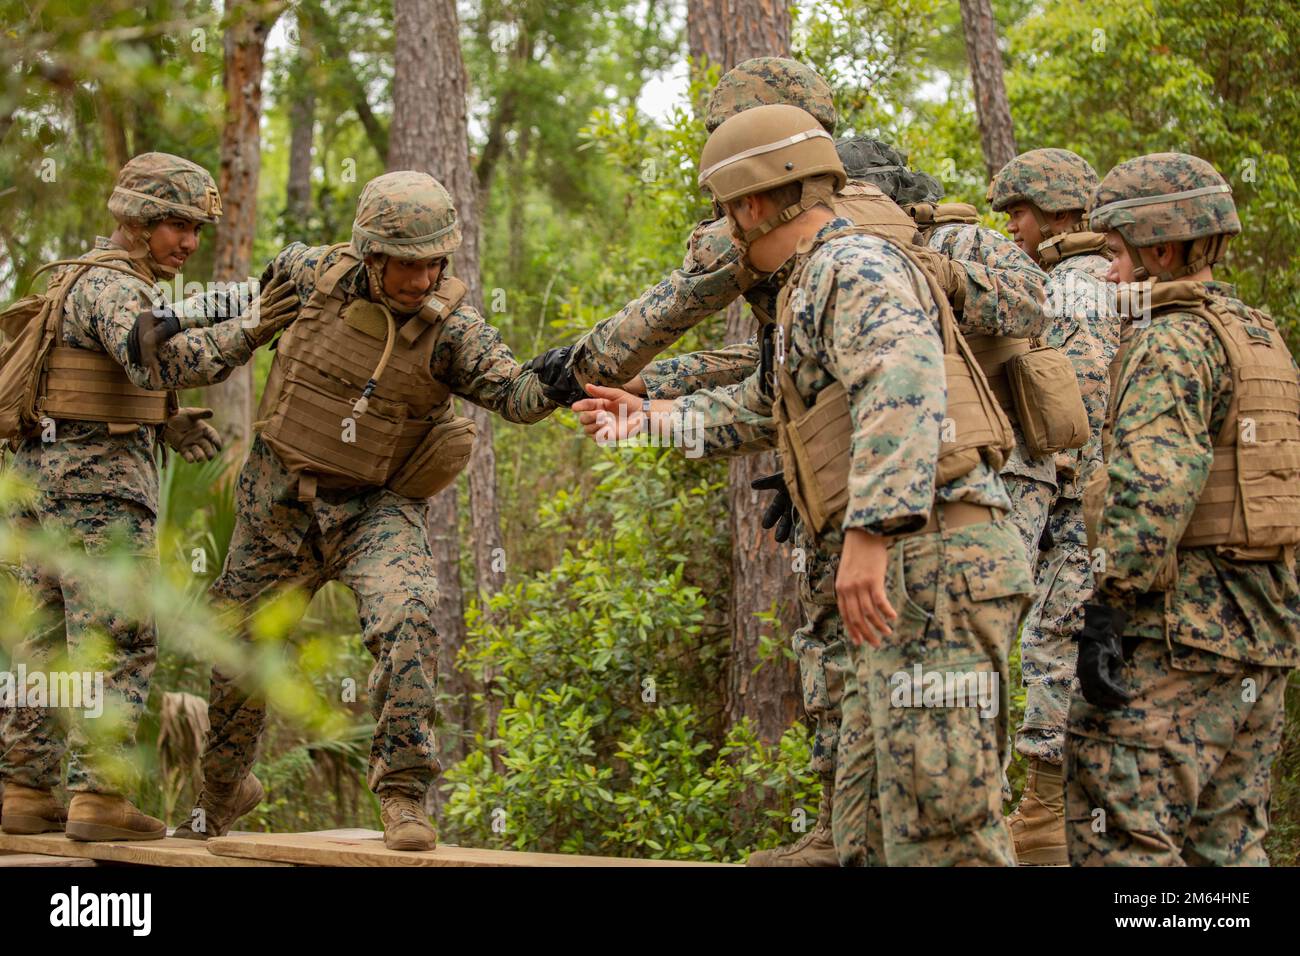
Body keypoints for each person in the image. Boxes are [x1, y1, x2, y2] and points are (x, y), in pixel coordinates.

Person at [576, 105, 1031, 865]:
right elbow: (768, 403)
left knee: (945, 835)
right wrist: (652, 416)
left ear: (752, 204)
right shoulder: (805, 284)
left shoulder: (852, 266)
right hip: (906, 573)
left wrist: (869, 533)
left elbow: (904, 379)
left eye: (725, 211)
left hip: (939, 566)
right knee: (867, 837)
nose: (724, 231)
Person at [170, 171, 558, 851]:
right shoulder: (311, 271)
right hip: (277, 501)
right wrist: (180, 321)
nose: (422, 279)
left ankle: (403, 792)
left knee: (407, 613)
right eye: (407, 265)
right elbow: (247, 306)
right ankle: (221, 790)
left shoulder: (452, 329)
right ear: (369, 254)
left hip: (374, 507)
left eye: (434, 263)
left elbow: (517, 397)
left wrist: (570, 373)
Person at [0, 152, 277, 841]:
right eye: (176, 226)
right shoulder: (117, 286)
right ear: (137, 220)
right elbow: (156, 353)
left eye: (194, 230)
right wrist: (254, 326)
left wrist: (168, 421)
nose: (188, 243)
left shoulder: (74, 277)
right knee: (115, 635)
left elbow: (93, 376)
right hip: (97, 491)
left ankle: (24, 792)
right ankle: (100, 798)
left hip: (37, 484)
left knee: (41, 643)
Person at [1070, 152, 1300, 865]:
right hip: (1264, 633)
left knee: (1121, 838)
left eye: (1113, 254)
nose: (1107, 275)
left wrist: (1106, 606)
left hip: (1180, 640)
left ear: (1160, 251)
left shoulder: (1171, 342)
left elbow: (1151, 491)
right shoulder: (1259, 337)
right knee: (1227, 847)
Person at [986, 148, 1118, 864]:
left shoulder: (1078, 285)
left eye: (1022, 212)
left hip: (1082, 508)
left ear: (1063, 212)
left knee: (1053, 645)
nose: (1012, 225)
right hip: (1091, 505)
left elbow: (1084, 410)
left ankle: (1043, 819)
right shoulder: (1085, 280)